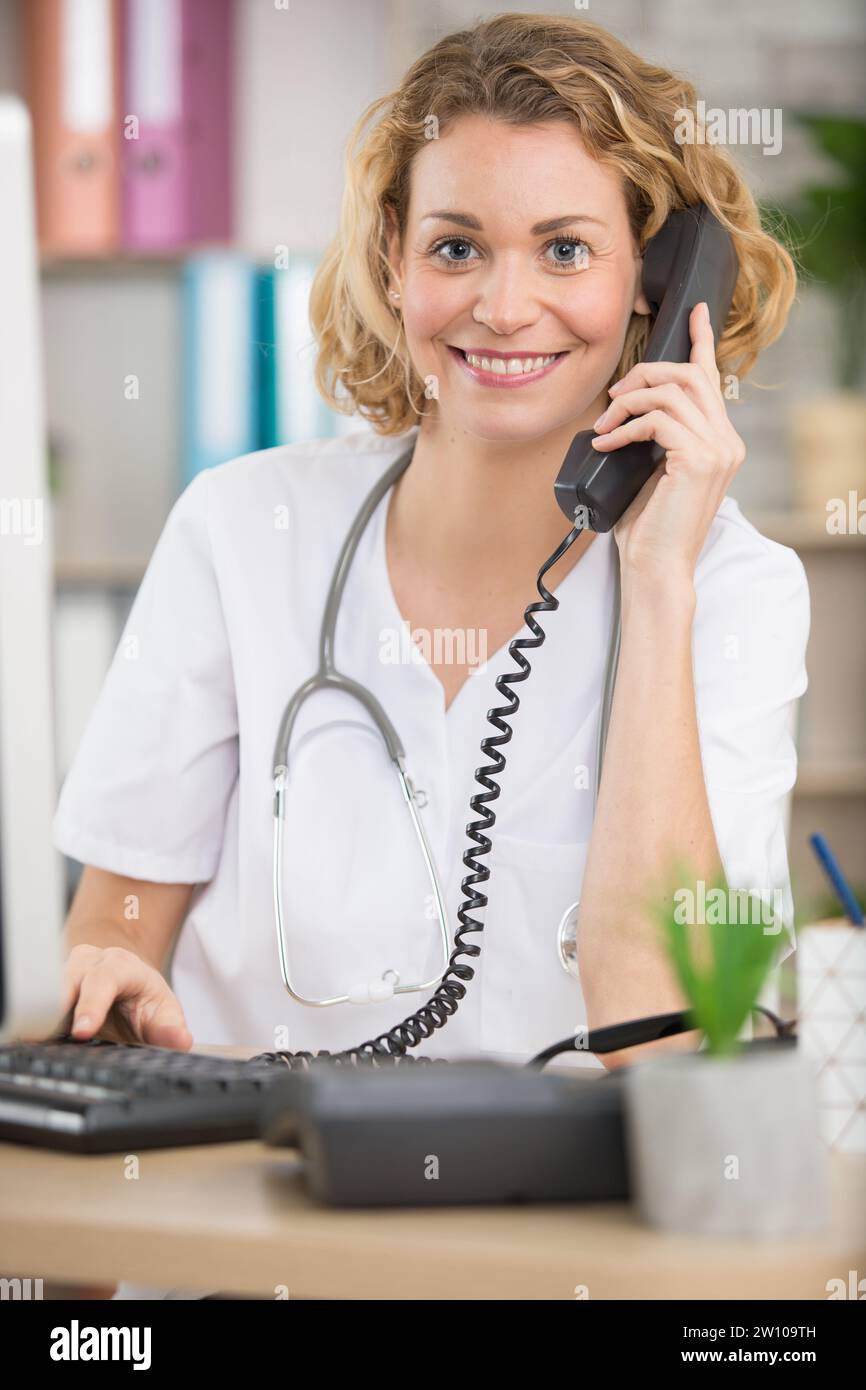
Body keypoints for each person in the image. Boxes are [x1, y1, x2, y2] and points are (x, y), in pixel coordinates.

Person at [51, 14, 808, 1299]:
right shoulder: (242, 531)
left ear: (657, 284)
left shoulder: (731, 589)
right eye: (456, 245)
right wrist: (112, 976)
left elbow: (662, 1036)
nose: (500, 306)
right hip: (240, 1270)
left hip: (559, 1283)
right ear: (394, 258)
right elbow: (120, 924)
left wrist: (657, 578)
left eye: (564, 248)